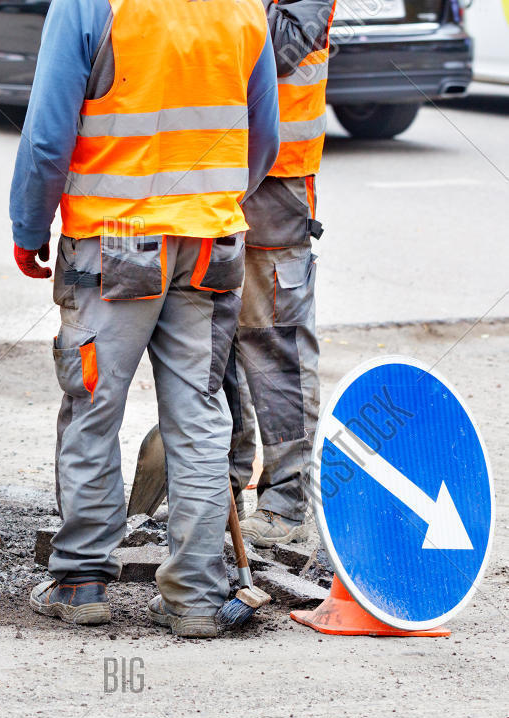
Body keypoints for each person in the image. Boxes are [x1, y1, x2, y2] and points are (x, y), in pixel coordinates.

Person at [11, 0, 280, 638]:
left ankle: (80, 580)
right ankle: (195, 596)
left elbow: (49, 135)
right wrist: (209, 204)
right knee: (200, 413)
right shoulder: (242, 8)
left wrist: (28, 224)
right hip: (209, 241)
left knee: (94, 406)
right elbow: (264, 135)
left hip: (115, 239)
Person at [227, 1, 337, 547]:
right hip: (206, 166)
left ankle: (287, 502)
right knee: (206, 335)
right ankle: (216, 490)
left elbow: (289, 44)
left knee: (276, 342)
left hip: (276, 179)